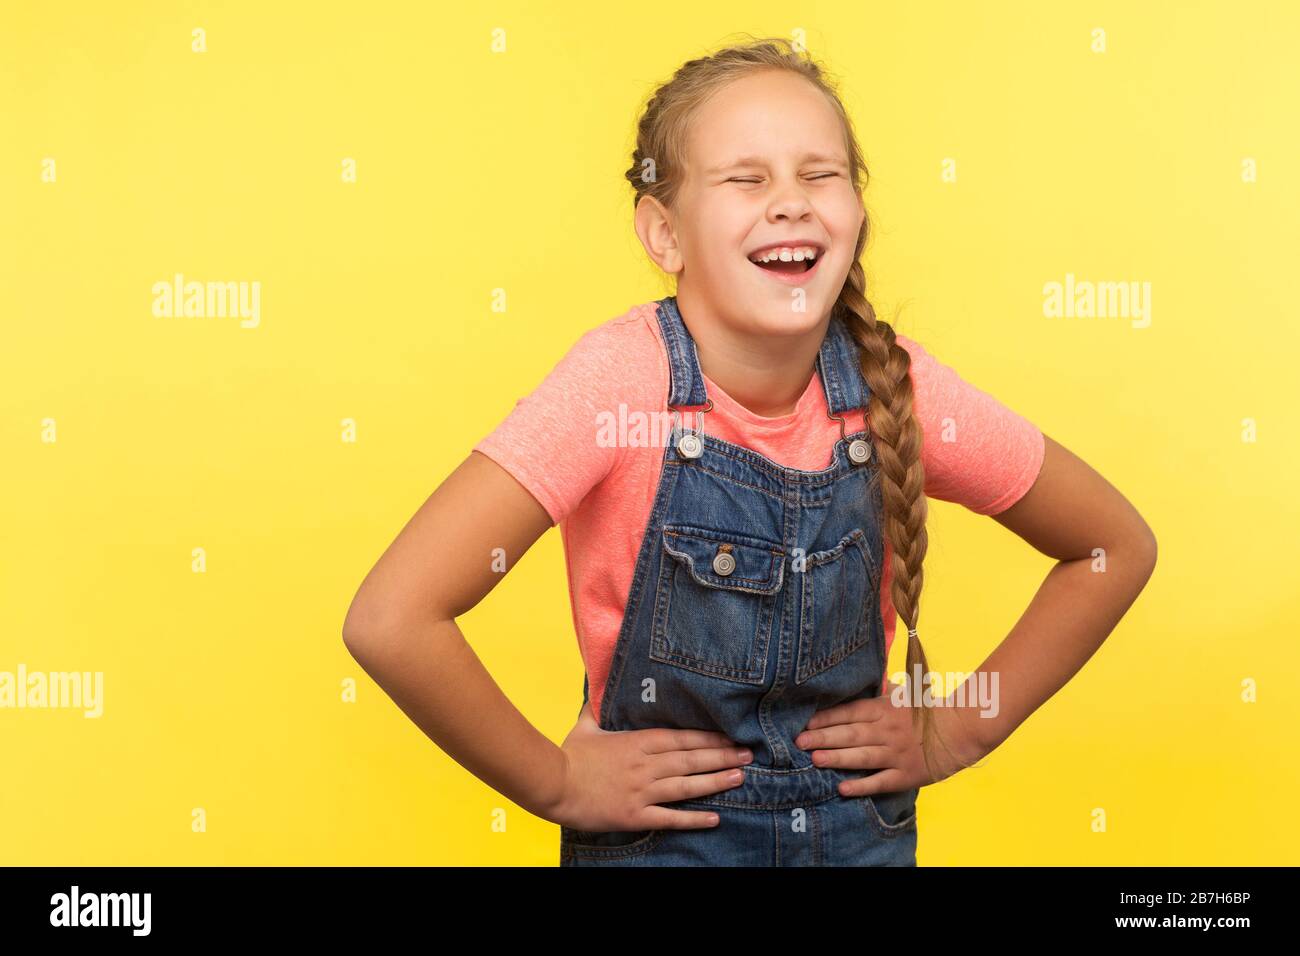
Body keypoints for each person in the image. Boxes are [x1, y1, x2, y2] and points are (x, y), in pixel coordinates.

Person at [342, 36, 1157, 866]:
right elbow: (391, 619)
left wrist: (953, 734)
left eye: (819, 174)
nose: (791, 203)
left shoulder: (896, 391)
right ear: (665, 235)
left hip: (856, 838)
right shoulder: (623, 384)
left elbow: (1111, 546)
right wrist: (554, 784)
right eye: (747, 178)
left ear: (857, 213)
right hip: (662, 844)